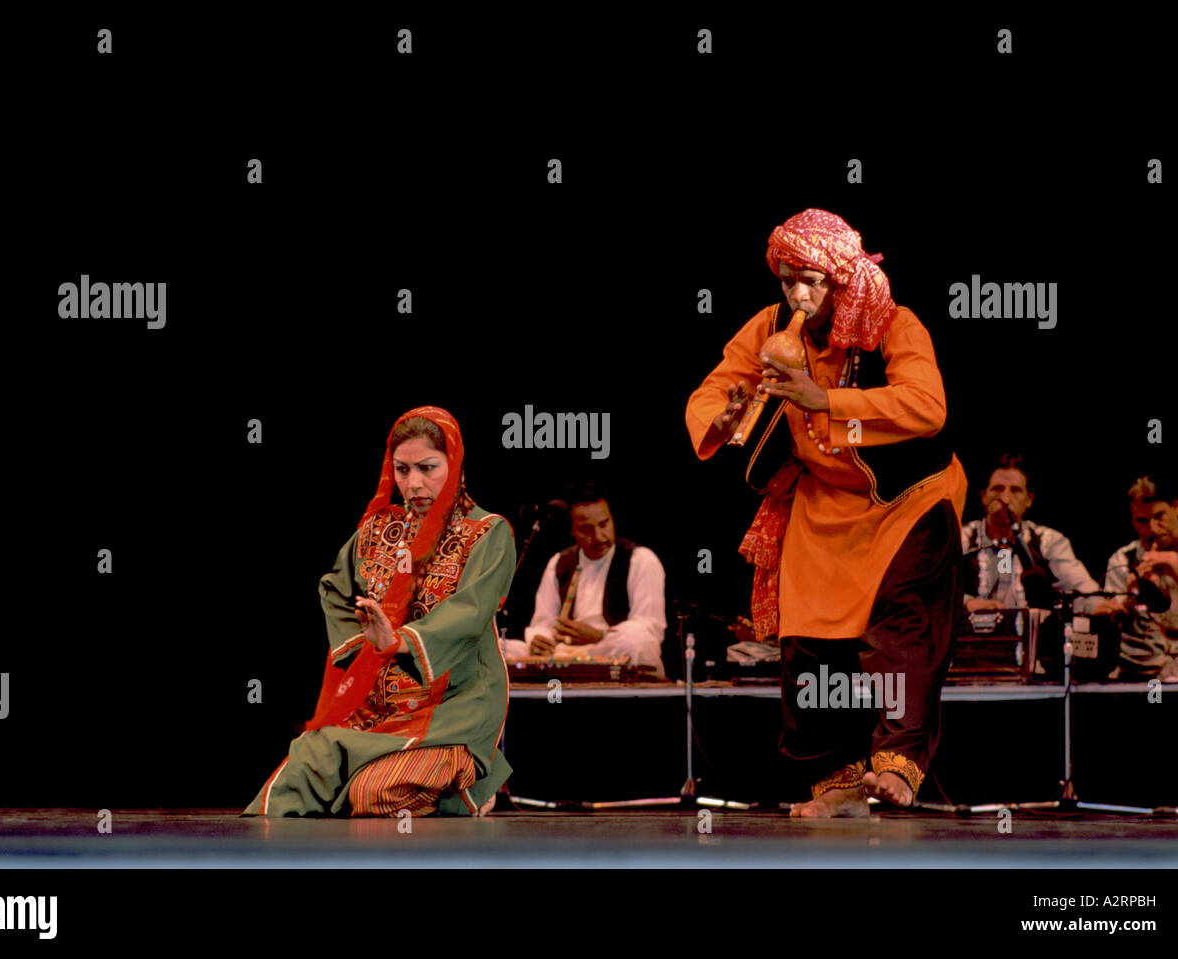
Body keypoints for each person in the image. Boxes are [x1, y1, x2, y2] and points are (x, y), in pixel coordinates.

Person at [685, 208, 968, 816]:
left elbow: (927, 406)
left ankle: (897, 765)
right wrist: (727, 416)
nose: (798, 293)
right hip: (824, 500)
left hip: (908, 499)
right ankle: (838, 784)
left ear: (841, 278)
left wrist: (828, 400)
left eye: (811, 279)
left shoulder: (892, 323)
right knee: (808, 646)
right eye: (788, 279)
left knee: (901, 629)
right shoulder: (771, 328)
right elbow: (712, 390)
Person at [242, 407, 516, 818]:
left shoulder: (489, 533)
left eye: (428, 467)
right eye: (402, 470)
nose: (414, 483)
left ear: (455, 464)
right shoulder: (376, 531)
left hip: (454, 706)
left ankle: (470, 786)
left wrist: (399, 640)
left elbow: (470, 612)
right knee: (290, 784)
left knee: (374, 794)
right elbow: (334, 587)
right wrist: (363, 645)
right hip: (378, 705)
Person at [523, 484, 668, 675]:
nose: (599, 537)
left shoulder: (640, 559)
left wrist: (599, 636)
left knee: (638, 641)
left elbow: (650, 628)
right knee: (498, 647)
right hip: (563, 653)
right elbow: (543, 624)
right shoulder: (559, 563)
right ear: (572, 532)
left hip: (611, 650)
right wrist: (540, 640)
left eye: (604, 524)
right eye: (586, 530)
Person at [961, 454, 1122, 616]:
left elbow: (1079, 586)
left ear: (1029, 500)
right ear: (983, 496)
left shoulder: (1048, 541)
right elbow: (936, 590)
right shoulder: (961, 538)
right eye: (998, 489)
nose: (1005, 499)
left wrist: (1097, 605)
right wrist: (968, 602)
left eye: (1015, 490)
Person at [1103, 476, 1178, 681]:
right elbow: (1113, 636)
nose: (1151, 528)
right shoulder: (1122, 560)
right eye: (1141, 521)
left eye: (1159, 516)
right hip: (1146, 673)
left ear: (1176, 507)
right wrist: (1130, 603)